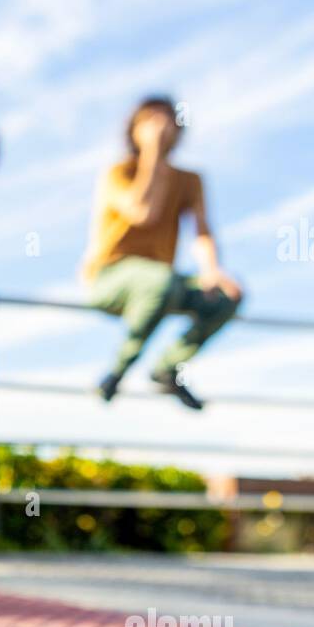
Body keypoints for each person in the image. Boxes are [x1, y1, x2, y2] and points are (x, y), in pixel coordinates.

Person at [83, 96, 243, 410]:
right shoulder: (119, 173)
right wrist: (152, 154)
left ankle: (168, 369)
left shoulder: (190, 180)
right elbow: (143, 212)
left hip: (160, 284)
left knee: (226, 298)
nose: (161, 127)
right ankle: (119, 370)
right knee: (159, 282)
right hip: (109, 278)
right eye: (151, 120)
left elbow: (202, 231)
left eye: (168, 120)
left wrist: (211, 270)